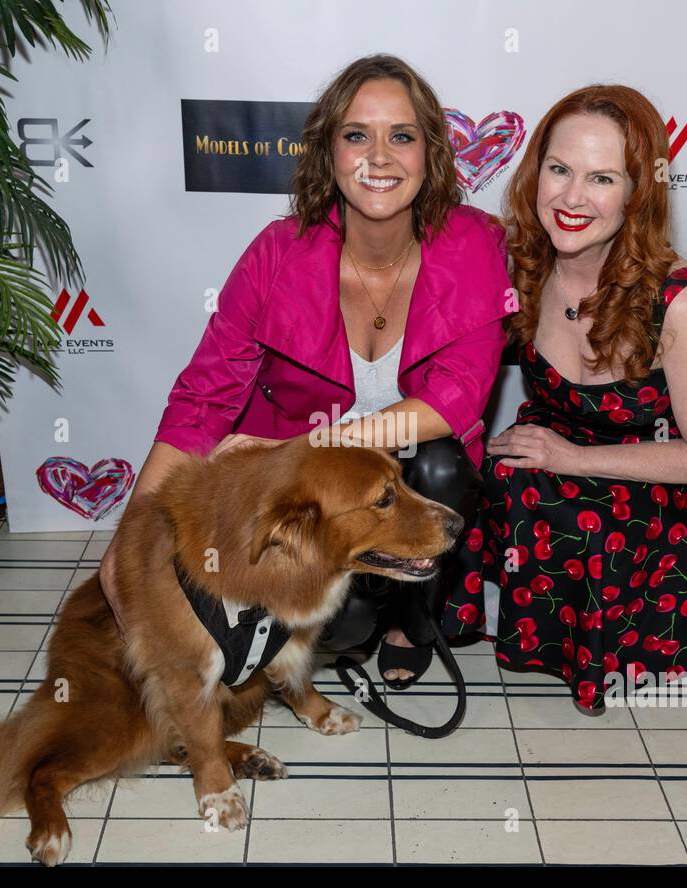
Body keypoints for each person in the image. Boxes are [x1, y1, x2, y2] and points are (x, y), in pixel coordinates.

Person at [100, 54, 511, 689]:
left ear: (431, 154)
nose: (378, 156)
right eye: (356, 136)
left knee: (439, 463)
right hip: (321, 503)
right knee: (340, 634)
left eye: (401, 136)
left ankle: (411, 620)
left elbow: (454, 400)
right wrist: (131, 535)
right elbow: (202, 399)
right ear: (328, 152)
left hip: (411, 484)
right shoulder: (275, 254)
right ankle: (358, 608)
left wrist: (299, 448)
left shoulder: (476, 242)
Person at [440, 85, 687, 715]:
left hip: (675, 479)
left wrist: (572, 458)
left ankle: (605, 651)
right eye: (559, 169)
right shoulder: (519, 261)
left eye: (601, 178)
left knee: (568, 503)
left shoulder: (678, 299)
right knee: (498, 472)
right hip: (565, 440)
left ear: (636, 193)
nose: (571, 198)